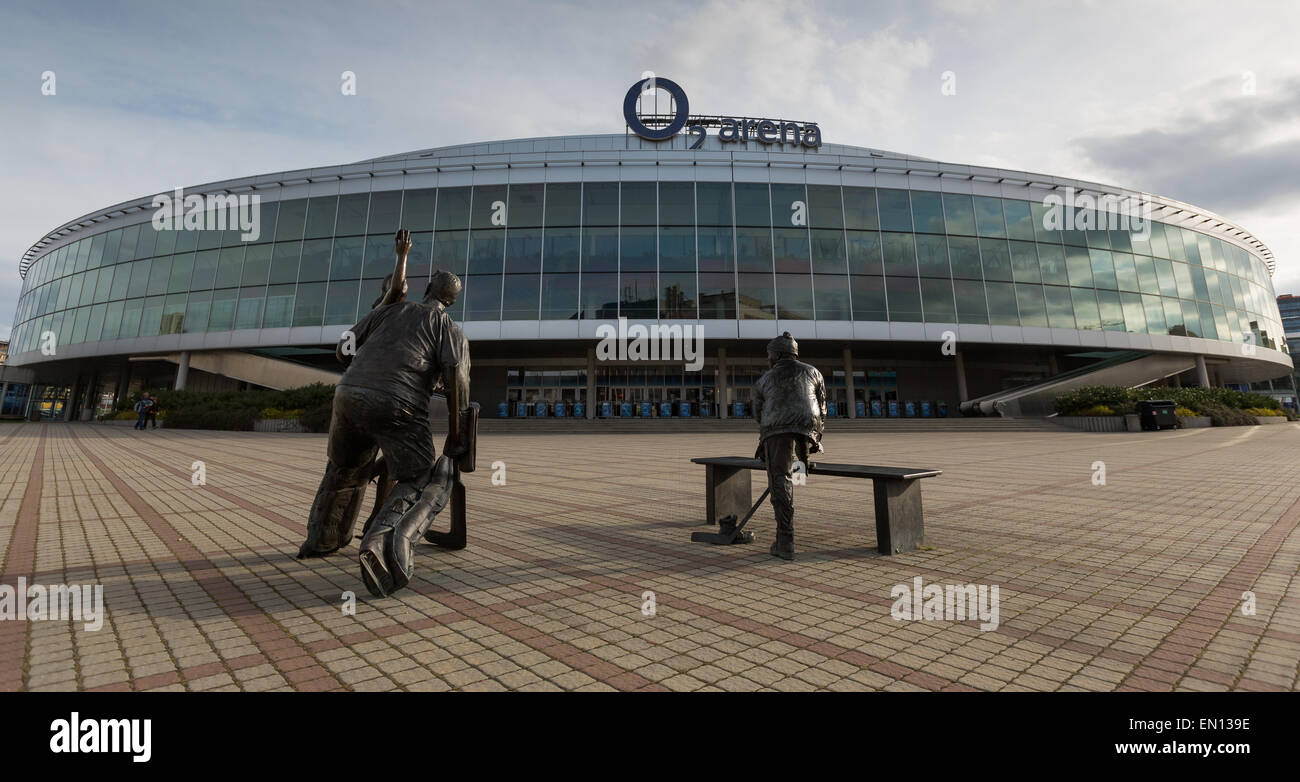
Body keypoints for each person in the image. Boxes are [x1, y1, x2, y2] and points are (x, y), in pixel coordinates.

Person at [298, 229, 471, 599]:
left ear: (427, 291)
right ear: (451, 301)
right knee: (425, 476)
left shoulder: (389, 310)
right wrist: (456, 437)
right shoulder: (448, 328)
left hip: (348, 396)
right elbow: (457, 380)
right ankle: (384, 542)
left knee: (345, 469)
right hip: (397, 403)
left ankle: (322, 540)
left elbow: (344, 351)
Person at [751, 332, 827, 561]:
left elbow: (757, 413)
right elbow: (823, 407)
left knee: (779, 478)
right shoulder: (813, 371)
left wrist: (767, 436)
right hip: (807, 428)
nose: (768, 359)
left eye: (769, 355)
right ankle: (802, 465)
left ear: (777, 354)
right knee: (798, 440)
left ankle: (785, 540)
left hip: (777, 429)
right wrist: (816, 435)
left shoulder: (765, 378)